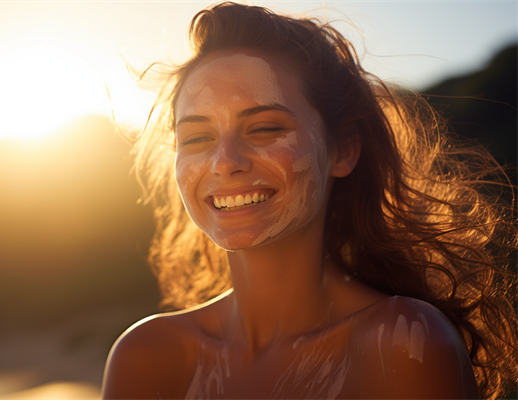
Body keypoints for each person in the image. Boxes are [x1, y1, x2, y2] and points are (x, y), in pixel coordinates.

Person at [102, 2, 518, 399]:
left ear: (343, 151)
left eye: (264, 128)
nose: (224, 162)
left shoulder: (403, 343)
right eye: (196, 137)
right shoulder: (146, 356)